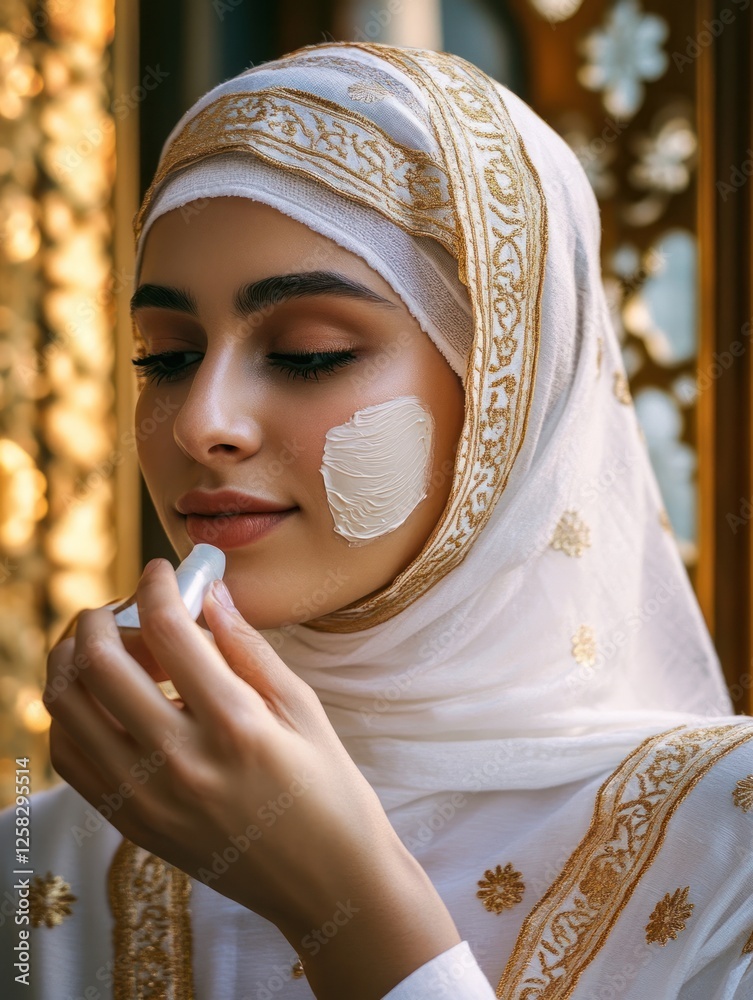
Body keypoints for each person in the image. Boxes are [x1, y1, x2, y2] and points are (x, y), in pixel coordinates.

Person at [2, 40, 753, 1000]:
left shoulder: (726, 838)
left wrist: (343, 907)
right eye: (166, 356)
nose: (200, 423)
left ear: (503, 403)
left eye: (311, 352)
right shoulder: (48, 856)